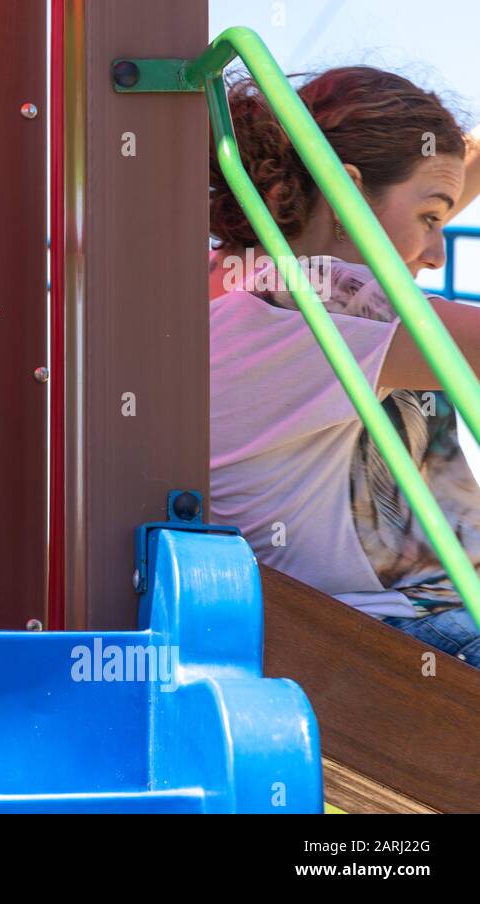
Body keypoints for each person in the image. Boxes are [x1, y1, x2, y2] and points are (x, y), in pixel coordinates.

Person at [207, 65, 480, 666]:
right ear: (345, 195)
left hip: (366, 624)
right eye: (433, 219)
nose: (436, 255)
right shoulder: (317, 298)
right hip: (404, 636)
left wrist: (431, 187)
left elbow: (401, 203)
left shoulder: (240, 284)